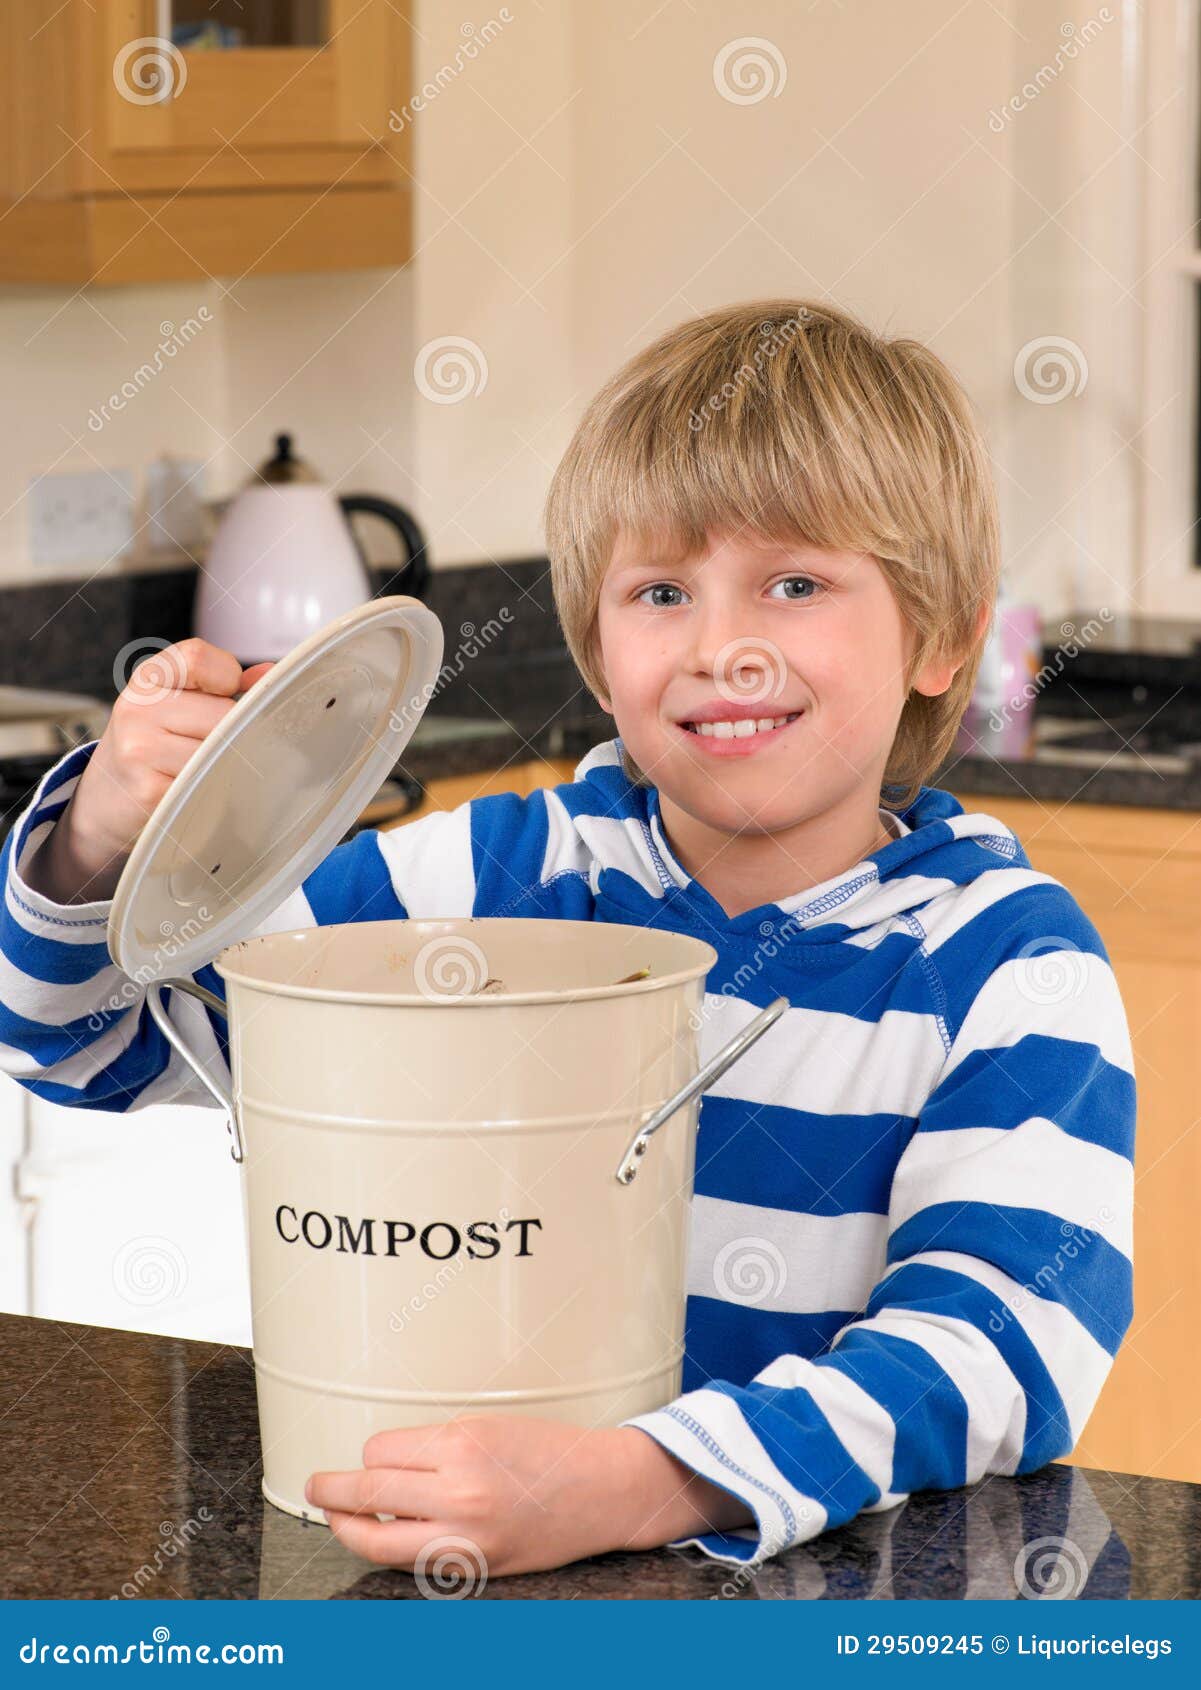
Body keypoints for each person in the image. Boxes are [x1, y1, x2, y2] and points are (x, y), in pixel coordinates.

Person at [0, 299, 1135, 1581]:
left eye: (797, 583)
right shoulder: (498, 878)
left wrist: (641, 1479)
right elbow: (89, 1047)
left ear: (941, 637)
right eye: (660, 591)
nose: (725, 648)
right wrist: (97, 840)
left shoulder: (1002, 961)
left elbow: (1003, 1344)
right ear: (597, 651)